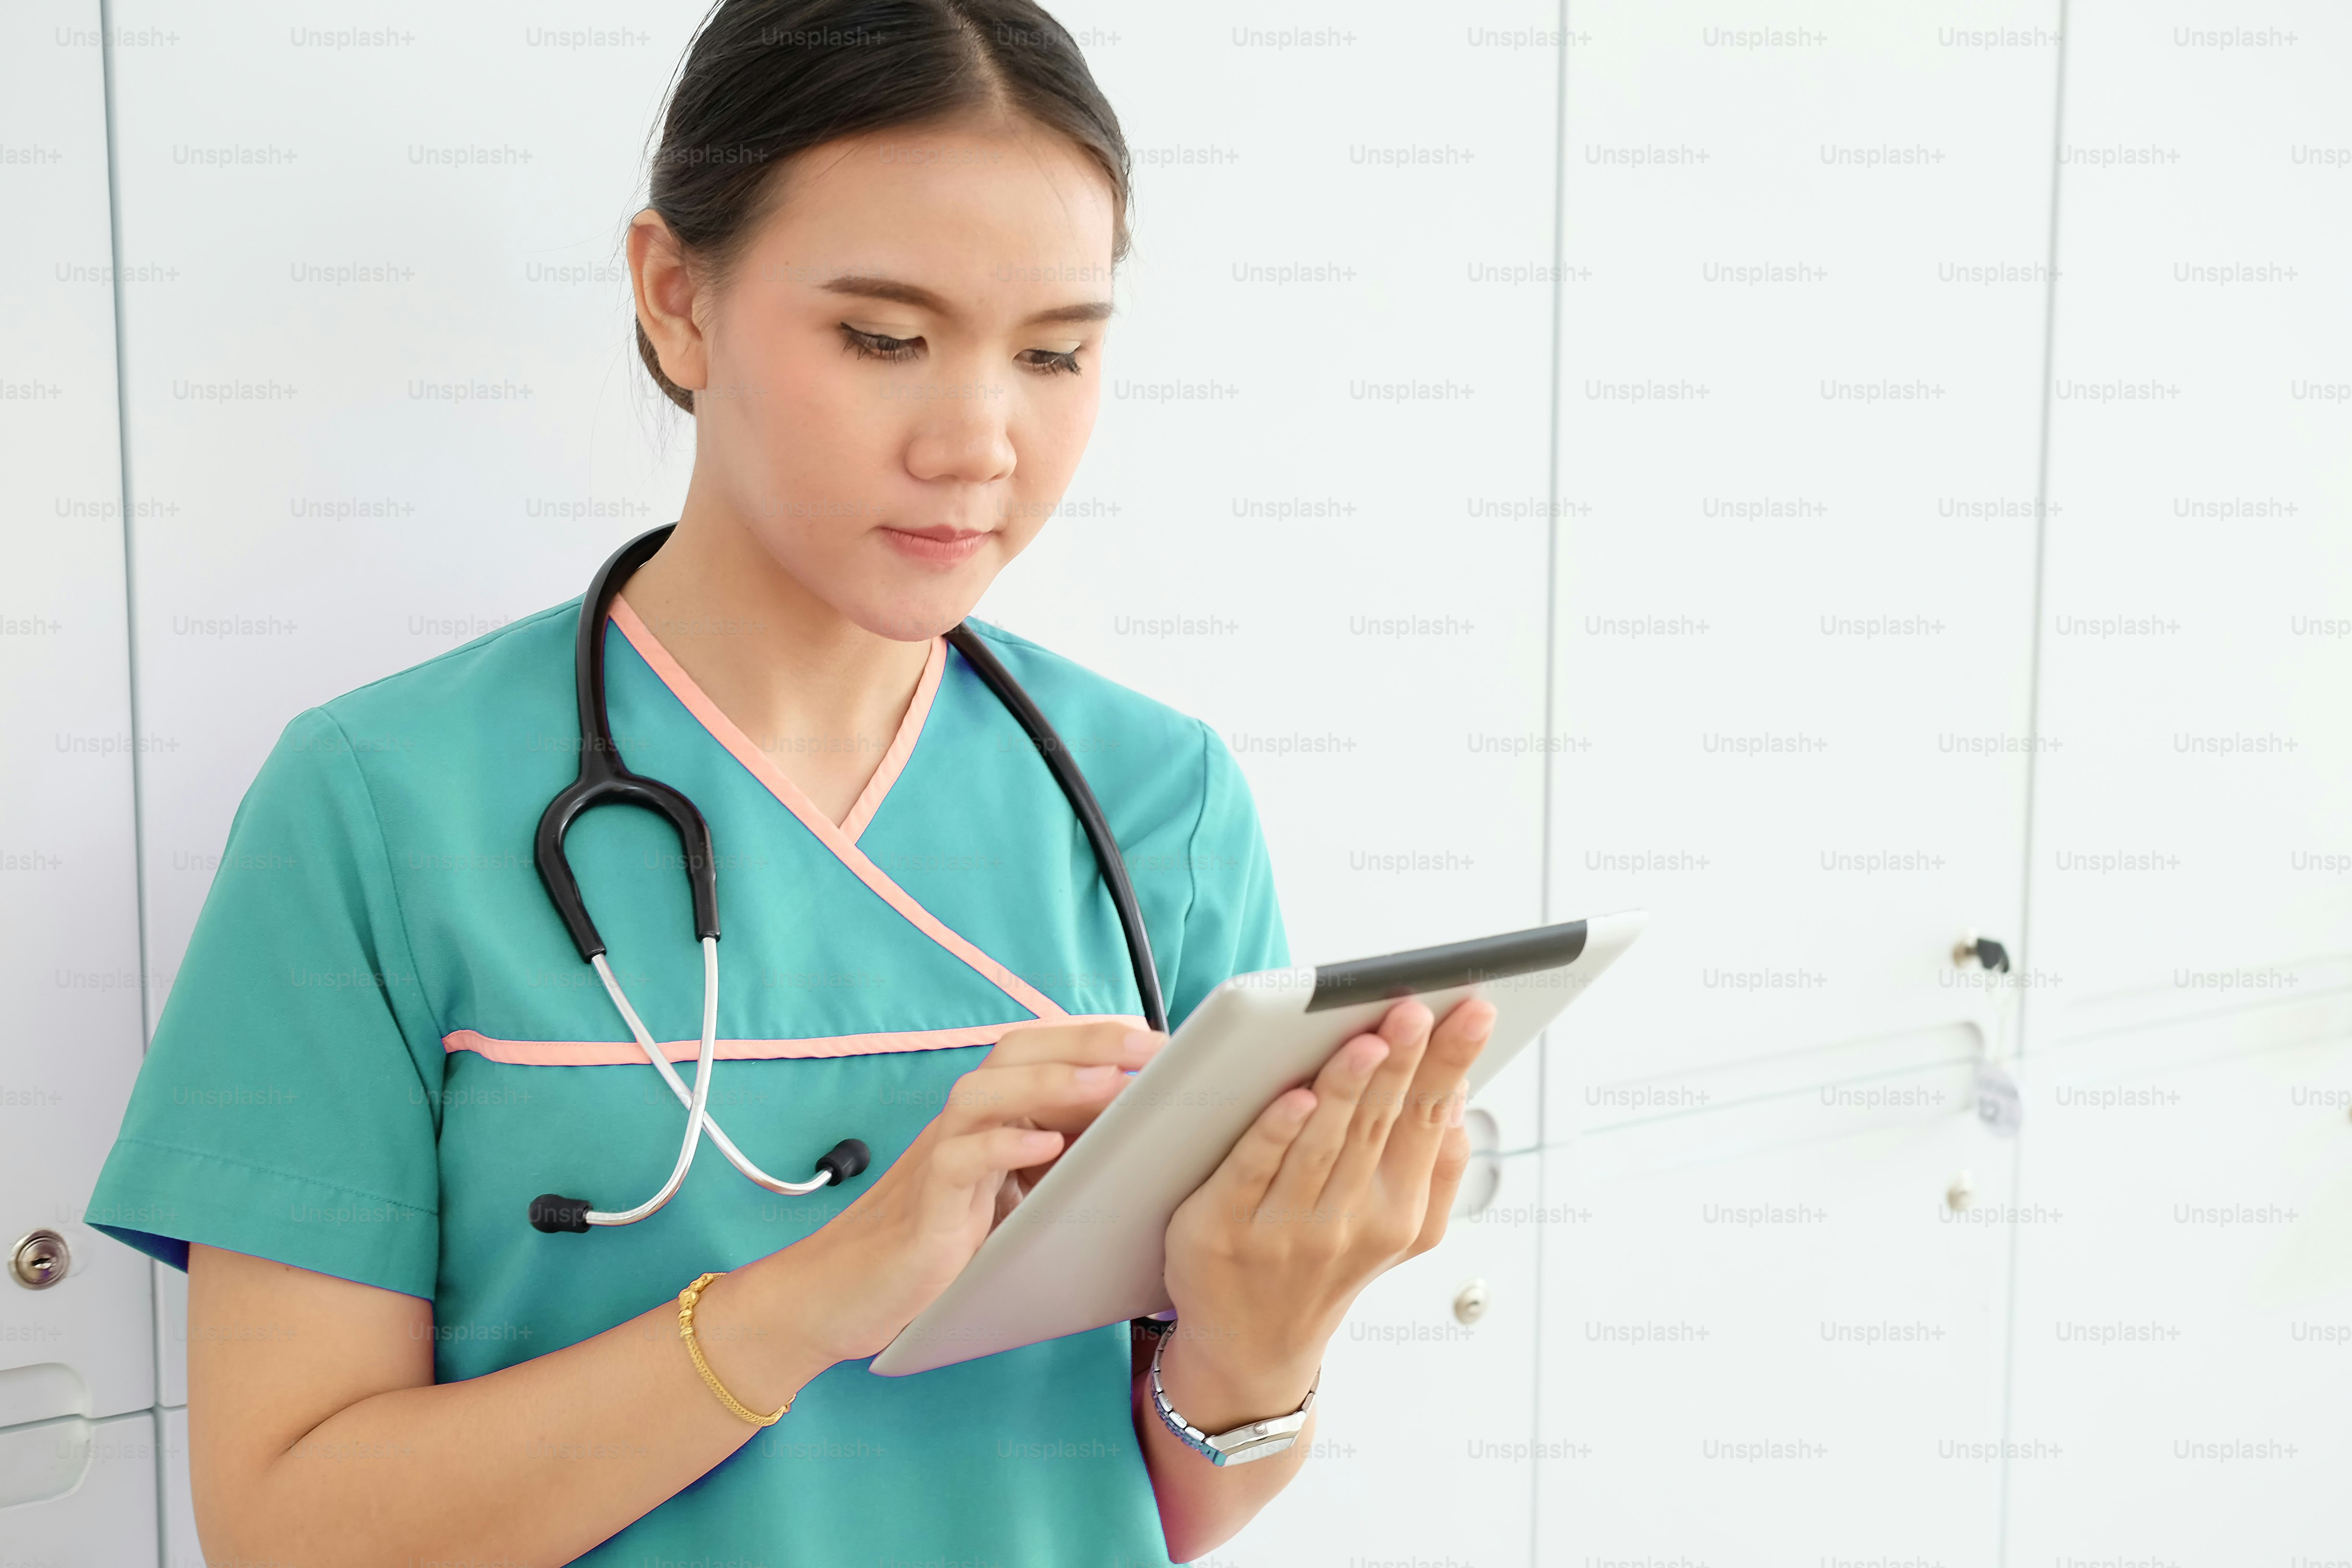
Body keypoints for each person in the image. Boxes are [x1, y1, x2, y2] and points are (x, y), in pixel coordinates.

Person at [86, 1, 1495, 1562]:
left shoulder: (1158, 799)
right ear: (677, 298)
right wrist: (814, 1298)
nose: (978, 442)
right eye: (884, 339)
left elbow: (1189, 1492)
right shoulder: (377, 806)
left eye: (1056, 353)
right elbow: (290, 1530)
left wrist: (1266, 1335)